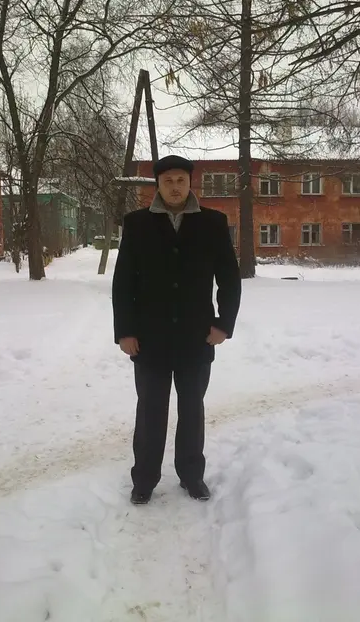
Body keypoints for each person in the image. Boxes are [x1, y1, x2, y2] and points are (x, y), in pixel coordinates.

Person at [112, 155, 241, 505]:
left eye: (180, 180)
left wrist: (223, 324)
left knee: (192, 411)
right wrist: (125, 331)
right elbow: (123, 283)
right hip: (149, 339)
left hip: (196, 337)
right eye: (168, 180)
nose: (174, 187)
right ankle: (144, 480)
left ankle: (192, 476)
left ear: (190, 183)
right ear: (158, 184)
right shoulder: (137, 224)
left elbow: (229, 278)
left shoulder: (213, 223)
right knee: (150, 412)